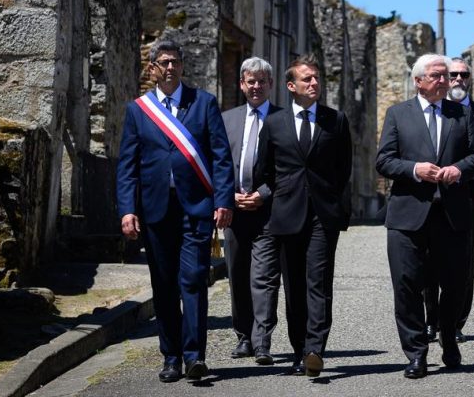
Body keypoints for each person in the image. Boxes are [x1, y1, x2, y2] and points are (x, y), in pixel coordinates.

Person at [116, 40, 235, 383]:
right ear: (152, 67)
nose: (170, 68)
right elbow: (128, 165)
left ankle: (195, 356)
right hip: (155, 211)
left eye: (176, 62)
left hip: (195, 209)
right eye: (164, 62)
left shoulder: (204, 104)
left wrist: (223, 200)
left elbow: (221, 157)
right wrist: (127, 209)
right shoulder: (139, 110)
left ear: (183, 66)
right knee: (164, 285)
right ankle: (171, 357)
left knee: (194, 280)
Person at [375, 53, 474, 379]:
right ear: (418, 81)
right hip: (408, 216)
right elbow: (384, 160)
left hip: (451, 216)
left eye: (447, 76)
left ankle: (448, 338)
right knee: (407, 286)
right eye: (437, 76)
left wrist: (458, 170)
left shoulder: (461, 115)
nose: (445, 81)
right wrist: (414, 169)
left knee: (454, 284)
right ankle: (416, 353)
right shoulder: (398, 114)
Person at [253, 55, 352, 378]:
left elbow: (343, 170)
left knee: (319, 284)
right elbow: (263, 171)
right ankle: (298, 350)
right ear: (291, 86)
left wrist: (338, 210)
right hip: (286, 216)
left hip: (323, 216)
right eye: (307, 79)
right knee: (294, 287)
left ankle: (314, 349)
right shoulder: (275, 123)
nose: (314, 84)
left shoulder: (335, 121)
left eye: (316, 79)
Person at [423, 57, 474, 344]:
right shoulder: (429, 111)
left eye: (463, 75)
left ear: (470, 79)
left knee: (465, 262)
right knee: (430, 262)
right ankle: (432, 320)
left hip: (468, 198)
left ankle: (456, 322)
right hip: (433, 197)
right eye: (452, 74)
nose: (457, 79)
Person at [220, 57, 283, 364]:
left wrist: (263, 194)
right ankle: (243, 336)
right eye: (250, 81)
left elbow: (288, 170)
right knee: (237, 273)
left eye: (262, 81)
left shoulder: (284, 121)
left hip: (268, 211)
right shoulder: (226, 119)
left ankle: (262, 341)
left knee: (265, 276)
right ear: (242, 84)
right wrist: (227, 196)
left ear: (270, 84)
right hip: (233, 210)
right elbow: (216, 164)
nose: (256, 87)